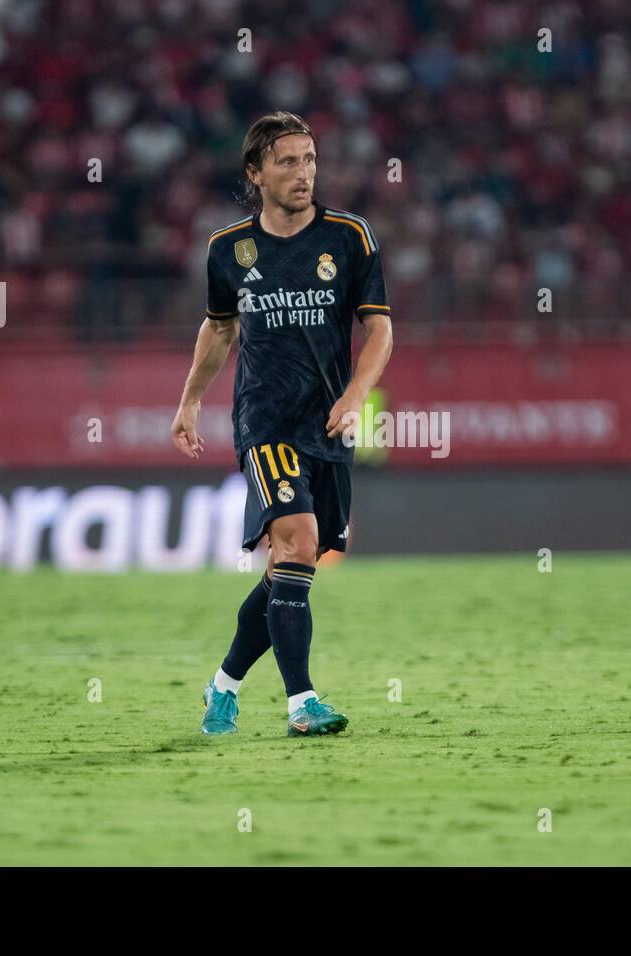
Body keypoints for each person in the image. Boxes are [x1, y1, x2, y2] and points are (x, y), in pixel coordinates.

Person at [170, 111, 393, 736]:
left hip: (329, 425)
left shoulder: (350, 236)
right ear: (256, 173)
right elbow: (219, 328)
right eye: (288, 162)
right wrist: (189, 401)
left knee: (291, 573)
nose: (304, 173)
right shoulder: (228, 249)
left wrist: (354, 395)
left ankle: (222, 685)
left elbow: (379, 327)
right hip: (265, 421)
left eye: (310, 160)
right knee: (294, 543)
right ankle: (302, 704)